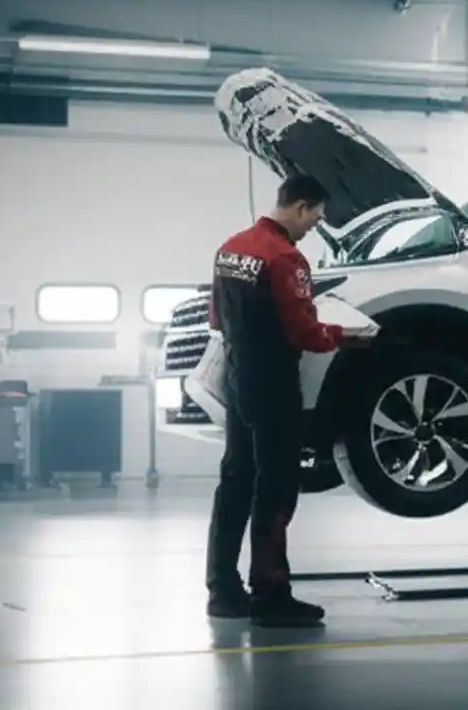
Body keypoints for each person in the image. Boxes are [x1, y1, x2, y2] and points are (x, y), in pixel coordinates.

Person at [205, 174, 369, 627]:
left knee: (235, 481)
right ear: (301, 206)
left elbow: (217, 318)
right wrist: (344, 335)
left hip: (238, 379)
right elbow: (303, 333)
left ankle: (222, 591)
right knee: (276, 486)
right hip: (274, 384)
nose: (313, 227)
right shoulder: (286, 258)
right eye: (314, 219)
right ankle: (271, 595)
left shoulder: (230, 249)